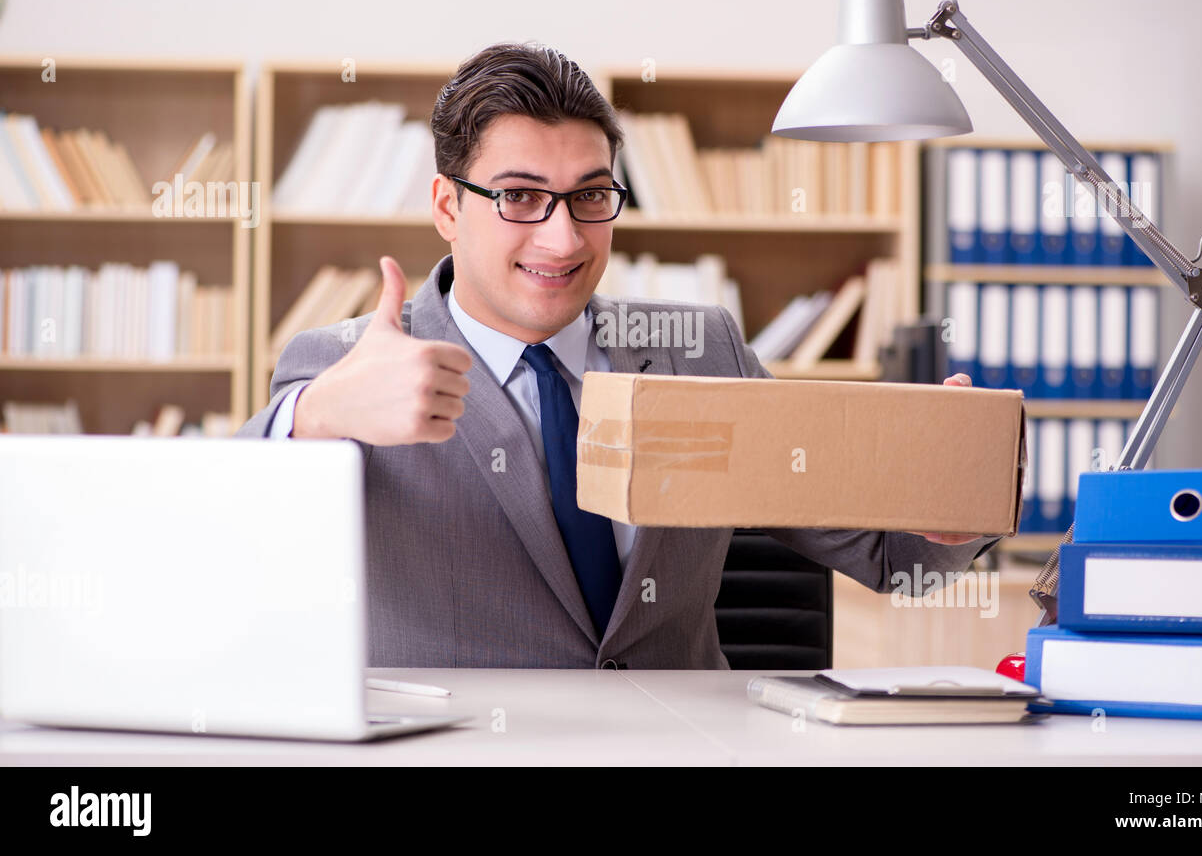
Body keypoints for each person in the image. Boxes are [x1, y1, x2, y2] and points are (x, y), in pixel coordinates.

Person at [235, 41, 1003, 669]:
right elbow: (228, 537)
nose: (563, 238)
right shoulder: (347, 365)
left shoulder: (702, 351)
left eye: (591, 196)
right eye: (521, 196)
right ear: (447, 206)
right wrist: (321, 412)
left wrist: (950, 493)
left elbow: (891, 557)